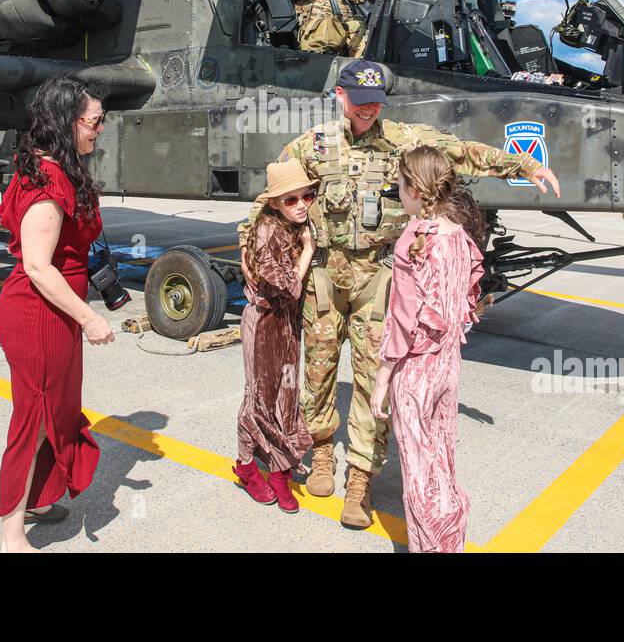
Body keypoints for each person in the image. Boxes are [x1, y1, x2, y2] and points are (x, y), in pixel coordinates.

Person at [238, 58, 560, 529]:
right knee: (319, 372)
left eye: (376, 104)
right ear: (340, 97)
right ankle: (322, 451)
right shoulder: (312, 146)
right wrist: (249, 241)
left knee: (372, 382)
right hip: (324, 277)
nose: (369, 110)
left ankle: (360, 479)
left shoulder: (405, 141)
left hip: (377, 277)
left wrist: (523, 163)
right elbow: (273, 193)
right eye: (360, 102)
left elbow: (462, 152)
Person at [0, 73, 116, 553]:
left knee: (57, 412)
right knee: (34, 417)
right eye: (93, 121)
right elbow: (38, 267)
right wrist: (89, 318)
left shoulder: (56, 168)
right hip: (36, 314)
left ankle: (40, 499)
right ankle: (11, 533)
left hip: (54, 314)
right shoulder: (48, 181)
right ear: (67, 122)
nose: (99, 130)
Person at [372, 146, 486, 552]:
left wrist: (382, 378)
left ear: (415, 190)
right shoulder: (460, 237)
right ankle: (452, 539)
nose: (398, 194)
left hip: (417, 370)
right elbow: (471, 289)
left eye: (400, 186)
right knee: (443, 461)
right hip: (448, 365)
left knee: (419, 473)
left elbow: (402, 320)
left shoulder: (414, 240)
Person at [232, 160, 317, 513]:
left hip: (285, 325)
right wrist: (309, 250)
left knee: (287, 394)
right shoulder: (268, 231)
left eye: (306, 196)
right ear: (273, 203)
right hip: (264, 323)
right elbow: (287, 285)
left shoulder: (294, 222)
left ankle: (280, 469)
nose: (301, 205)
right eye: (290, 200)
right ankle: (249, 466)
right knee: (260, 399)